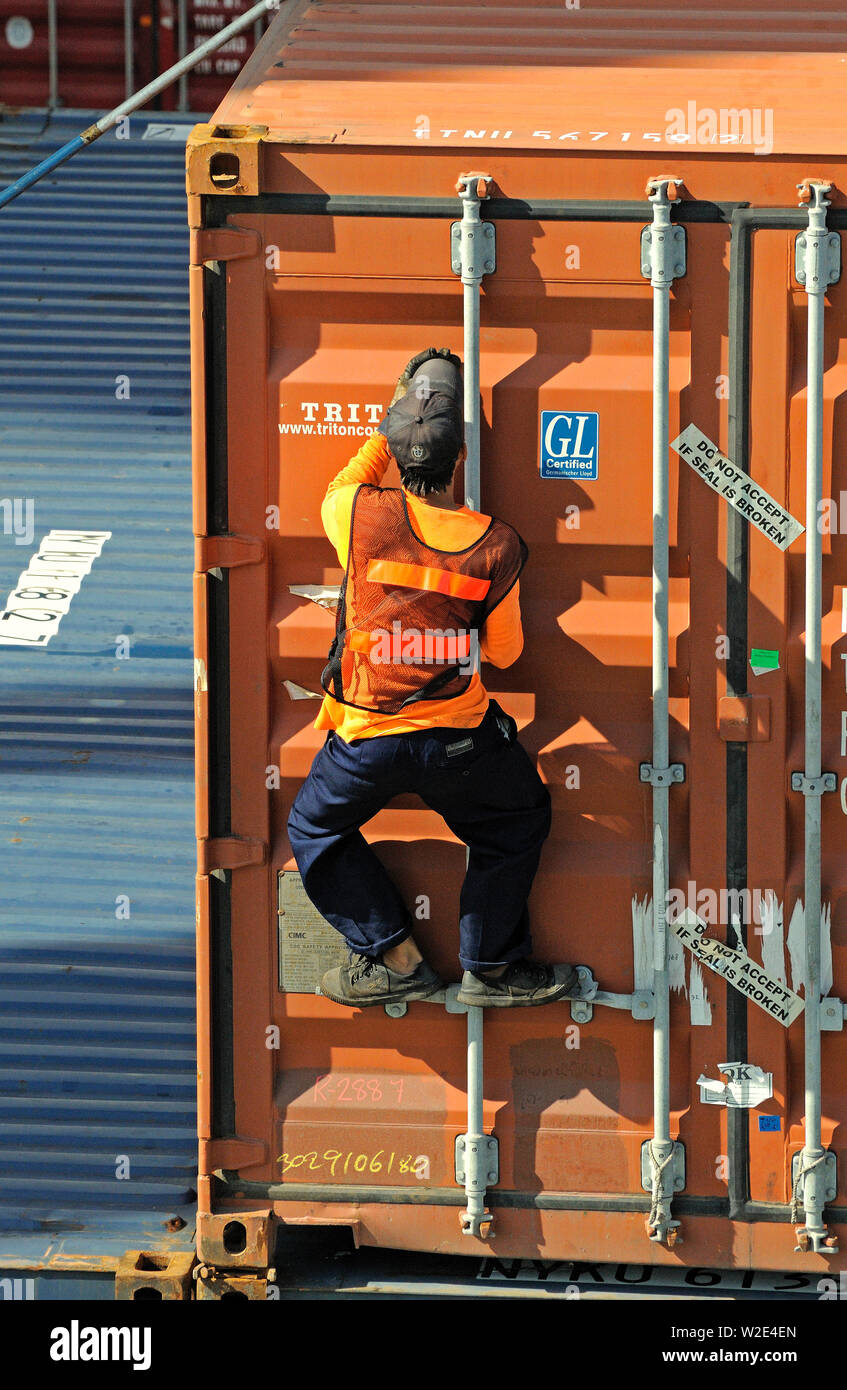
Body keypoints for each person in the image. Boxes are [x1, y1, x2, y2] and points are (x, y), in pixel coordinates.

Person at [287, 348, 577, 1009]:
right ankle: (492, 969)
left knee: (314, 829)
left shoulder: (356, 514)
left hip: (366, 742)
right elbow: (503, 654)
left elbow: (352, 475)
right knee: (512, 823)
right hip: (460, 743)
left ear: (393, 441)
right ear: (461, 459)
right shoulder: (496, 544)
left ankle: (397, 956)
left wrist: (402, 407)